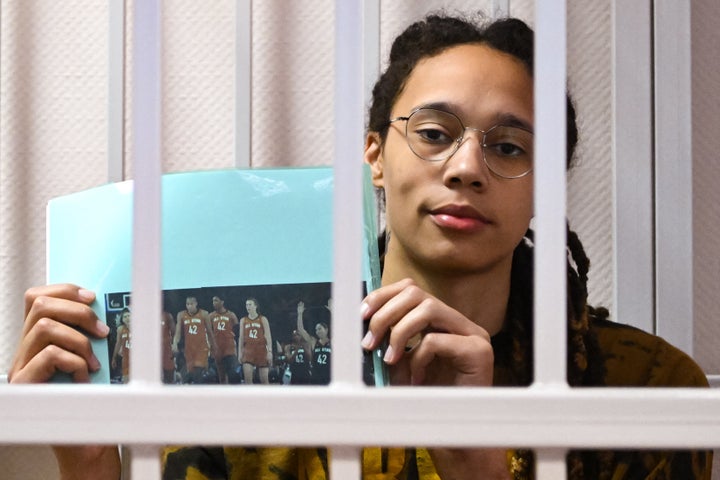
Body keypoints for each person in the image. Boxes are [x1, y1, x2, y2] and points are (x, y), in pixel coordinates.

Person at [6, 12, 712, 480]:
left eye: (509, 146)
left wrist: (482, 463)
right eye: (434, 134)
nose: (467, 168)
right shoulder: (255, 372)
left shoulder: (647, 390)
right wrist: (90, 459)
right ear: (375, 155)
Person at [172, 296, 216, 384]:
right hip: (189, 350)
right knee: (189, 374)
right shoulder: (181, 315)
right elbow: (178, 332)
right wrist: (175, 343)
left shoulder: (204, 314)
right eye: (187, 304)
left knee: (198, 373)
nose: (189, 306)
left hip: (202, 349)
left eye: (191, 304)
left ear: (196, 304)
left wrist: (214, 347)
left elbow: (210, 332)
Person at [238, 297, 273, 384]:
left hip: (261, 351)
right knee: (248, 380)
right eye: (246, 305)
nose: (248, 307)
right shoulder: (243, 320)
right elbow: (241, 338)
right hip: (248, 351)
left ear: (255, 306)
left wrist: (269, 351)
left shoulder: (263, 319)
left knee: (264, 380)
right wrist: (240, 353)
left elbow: (268, 336)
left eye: (250, 305)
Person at [207, 294, 241, 384]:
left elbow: (237, 333)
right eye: (213, 301)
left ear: (222, 302)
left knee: (232, 374)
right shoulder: (211, 316)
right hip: (217, 350)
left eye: (216, 300)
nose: (213, 303)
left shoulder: (231, 315)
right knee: (221, 376)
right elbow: (208, 333)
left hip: (229, 349)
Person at [296, 300, 332, 385]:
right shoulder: (313, 341)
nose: (317, 331)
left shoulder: (332, 341)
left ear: (326, 329)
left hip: (329, 377)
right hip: (316, 377)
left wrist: (332, 311)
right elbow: (301, 329)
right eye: (316, 329)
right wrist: (300, 314)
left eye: (320, 329)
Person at [110, 307, 131, 383]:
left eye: (129, 315)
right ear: (122, 319)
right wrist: (114, 358)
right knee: (126, 383)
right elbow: (118, 344)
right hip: (126, 360)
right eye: (125, 317)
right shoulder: (120, 329)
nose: (127, 318)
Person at [161, 309, 177, 384]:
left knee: (170, 375)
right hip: (153, 352)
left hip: (166, 350)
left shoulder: (167, 316)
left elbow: (174, 333)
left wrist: (174, 345)